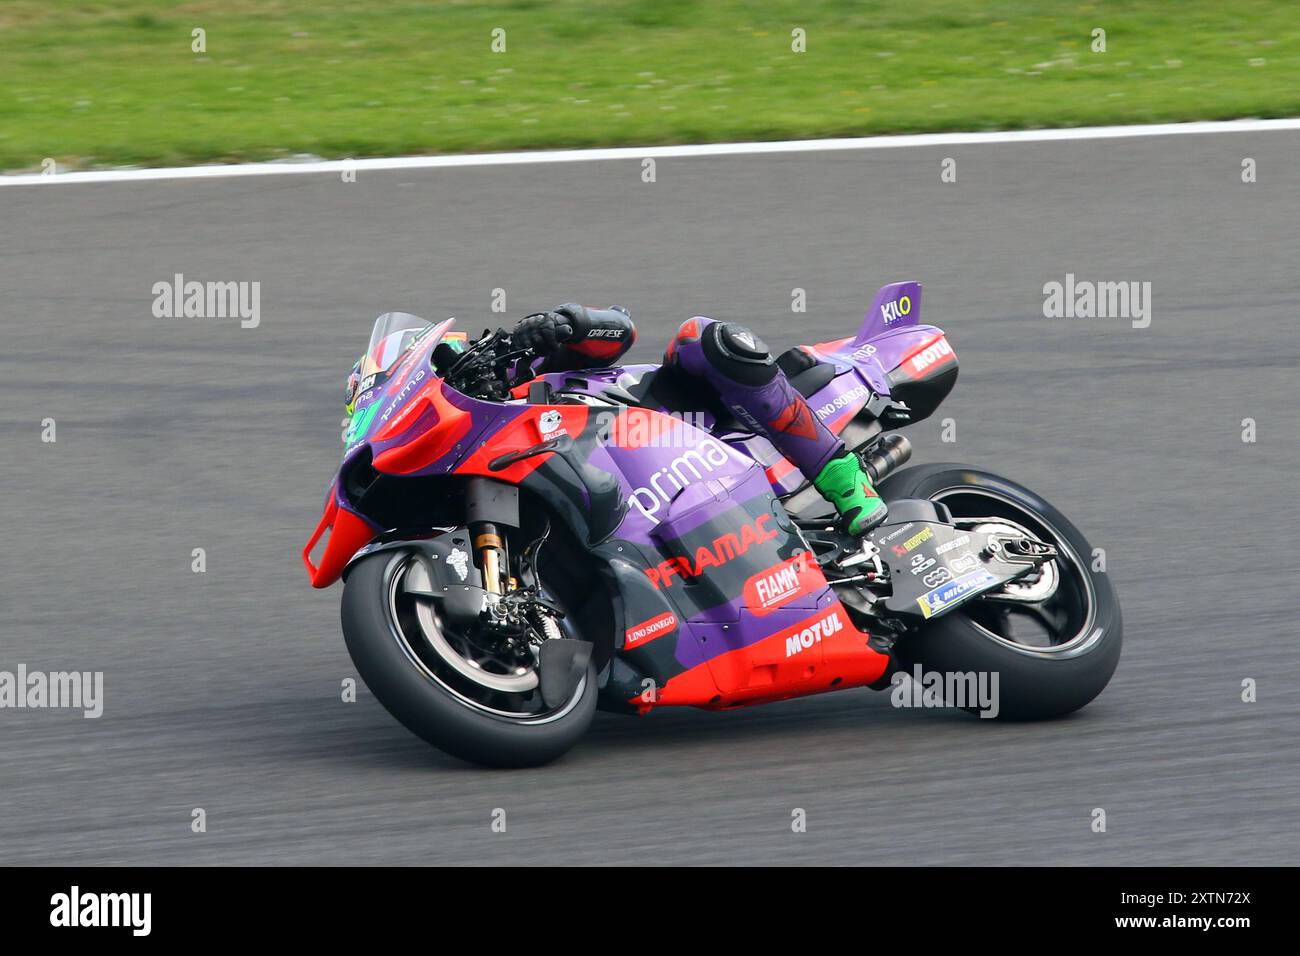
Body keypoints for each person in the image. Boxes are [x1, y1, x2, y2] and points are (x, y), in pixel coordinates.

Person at [512, 303, 887, 533]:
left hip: (679, 417)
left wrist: (566, 323)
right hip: (620, 506)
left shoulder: (488, 373)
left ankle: (844, 478)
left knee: (705, 337)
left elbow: (619, 331)